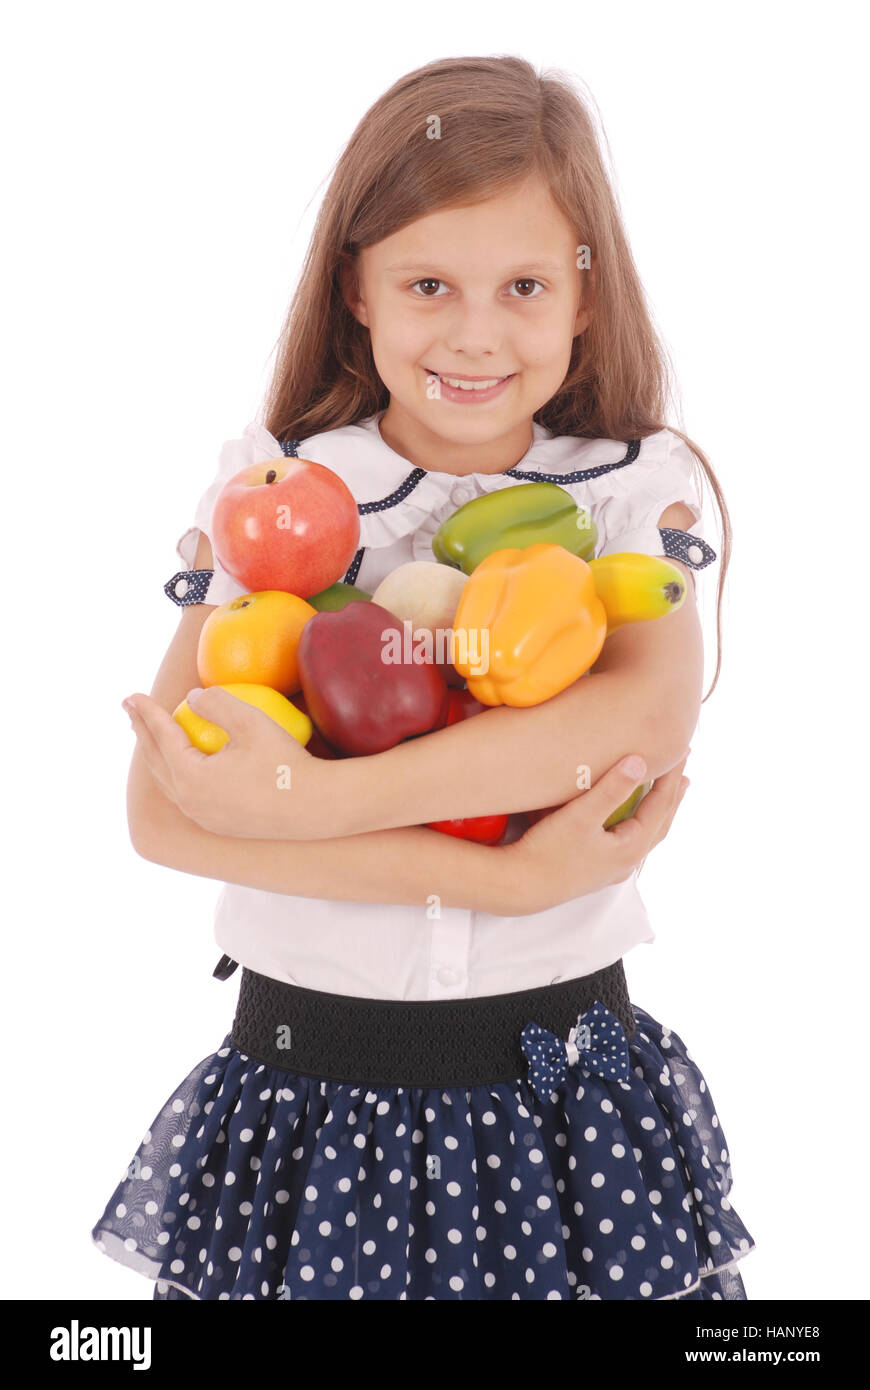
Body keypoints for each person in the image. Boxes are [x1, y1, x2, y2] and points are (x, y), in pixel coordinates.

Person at [92, 55, 754, 1301]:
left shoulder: (626, 491)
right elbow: (166, 812)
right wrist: (509, 878)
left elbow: (640, 722)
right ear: (357, 286)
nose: (475, 332)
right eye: (428, 282)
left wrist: (300, 801)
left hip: (564, 1101)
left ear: (584, 298)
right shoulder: (275, 494)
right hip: (307, 1093)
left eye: (524, 285)